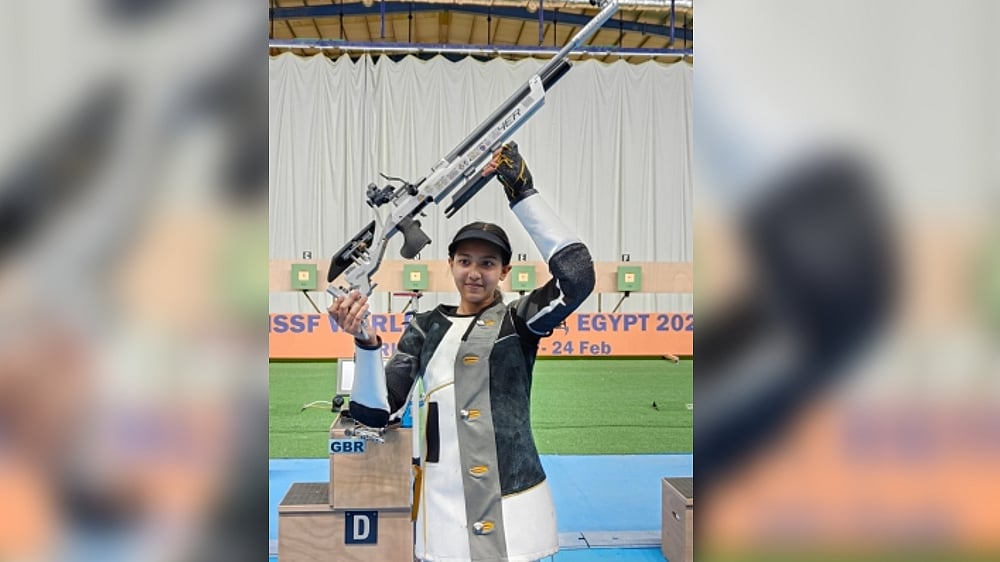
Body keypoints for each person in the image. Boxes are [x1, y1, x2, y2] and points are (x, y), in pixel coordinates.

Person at [329, 143, 595, 562]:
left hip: (514, 503)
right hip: (442, 507)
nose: (475, 272)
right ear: (450, 264)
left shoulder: (520, 322)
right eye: (465, 260)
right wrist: (364, 343)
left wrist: (524, 193)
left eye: (488, 263)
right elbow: (376, 413)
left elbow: (577, 278)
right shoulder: (424, 326)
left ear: (505, 272)